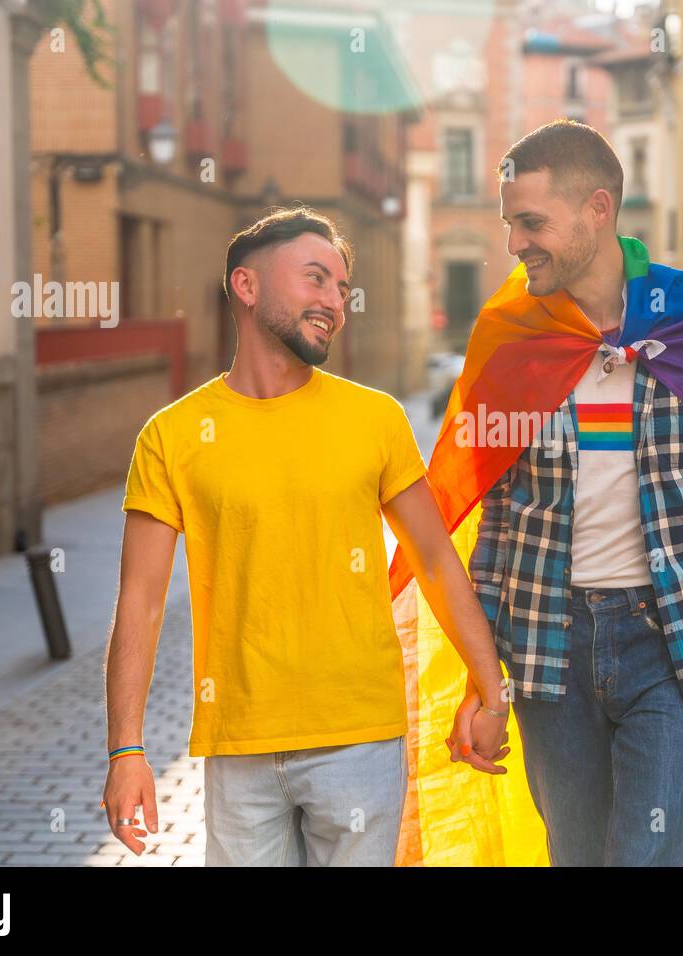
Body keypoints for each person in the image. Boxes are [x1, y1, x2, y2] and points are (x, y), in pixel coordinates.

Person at [454, 120, 683, 866]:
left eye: (531, 222)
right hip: (547, 645)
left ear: (596, 208)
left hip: (669, 640)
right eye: (508, 224)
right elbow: (497, 515)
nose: (515, 243)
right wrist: (483, 676)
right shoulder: (509, 331)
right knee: (577, 855)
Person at [100, 207, 509, 867]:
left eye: (343, 290)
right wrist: (125, 751)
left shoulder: (375, 419)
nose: (334, 303)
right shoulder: (172, 436)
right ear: (247, 286)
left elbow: (434, 562)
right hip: (239, 748)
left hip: (361, 742)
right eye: (316, 280)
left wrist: (492, 692)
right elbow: (141, 601)